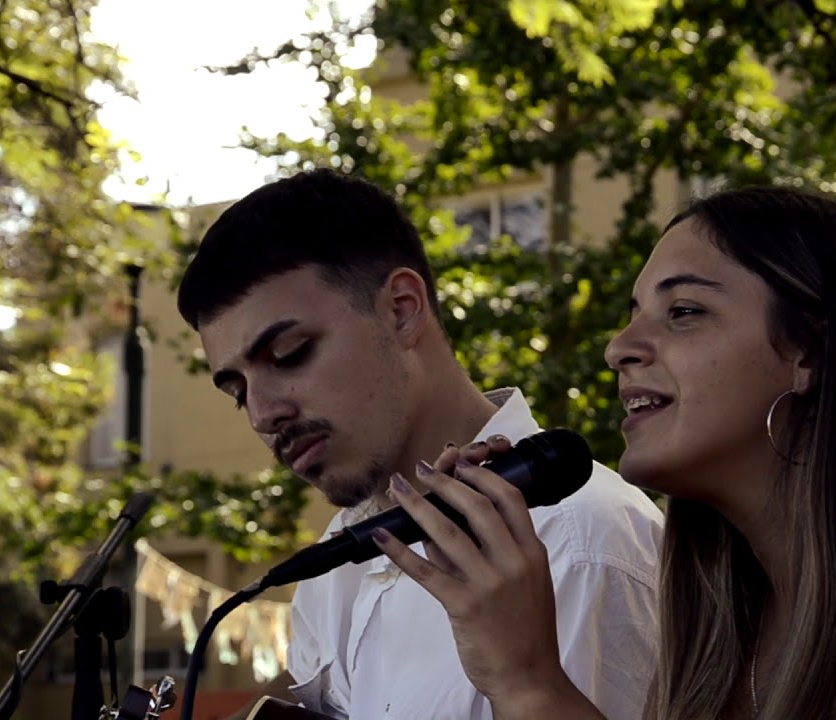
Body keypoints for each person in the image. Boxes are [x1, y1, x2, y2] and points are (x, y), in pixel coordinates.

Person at [371, 186, 836, 720]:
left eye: (684, 312)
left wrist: (529, 678)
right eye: (634, 317)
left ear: (810, 351)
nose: (618, 349)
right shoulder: (725, 615)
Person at [174, 169, 664, 720]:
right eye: (238, 392)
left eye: (290, 354)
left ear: (402, 309)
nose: (264, 414)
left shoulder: (581, 541)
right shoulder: (333, 566)